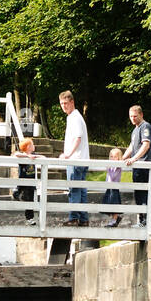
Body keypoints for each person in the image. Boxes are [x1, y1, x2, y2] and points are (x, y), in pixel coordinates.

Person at [59, 90, 89, 226]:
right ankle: (83, 219)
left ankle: (74, 218)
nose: (63, 106)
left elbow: (78, 138)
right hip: (81, 159)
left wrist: (68, 155)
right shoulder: (73, 117)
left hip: (76, 160)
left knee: (74, 189)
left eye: (66, 103)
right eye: (61, 104)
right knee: (81, 190)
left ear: (72, 102)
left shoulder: (75, 117)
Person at [122, 104, 151, 213]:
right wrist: (122, 158)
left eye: (135, 116)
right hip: (137, 166)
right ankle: (148, 219)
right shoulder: (135, 130)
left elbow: (146, 145)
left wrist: (133, 159)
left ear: (141, 115)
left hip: (143, 165)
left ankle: (146, 219)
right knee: (138, 193)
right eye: (131, 116)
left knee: (143, 193)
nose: (132, 118)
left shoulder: (145, 126)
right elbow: (132, 146)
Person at [13, 137, 39, 211]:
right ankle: (16, 193)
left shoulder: (33, 155)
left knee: (30, 200)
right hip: (23, 180)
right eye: (32, 144)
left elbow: (43, 157)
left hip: (31, 182)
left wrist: (35, 157)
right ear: (28, 147)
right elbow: (16, 154)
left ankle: (30, 218)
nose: (34, 146)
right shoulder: (22, 156)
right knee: (20, 191)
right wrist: (27, 156)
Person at [102, 148, 124, 228]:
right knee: (109, 204)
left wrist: (108, 169)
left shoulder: (118, 167)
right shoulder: (111, 166)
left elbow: (113, 176)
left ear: (119, 158)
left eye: (115, 157)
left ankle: (114, 220)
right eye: (111, 156)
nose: (112, 158)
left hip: (114, 188)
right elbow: (108, 178)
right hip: (109, 187)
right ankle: (114, 219)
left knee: (114, 204)